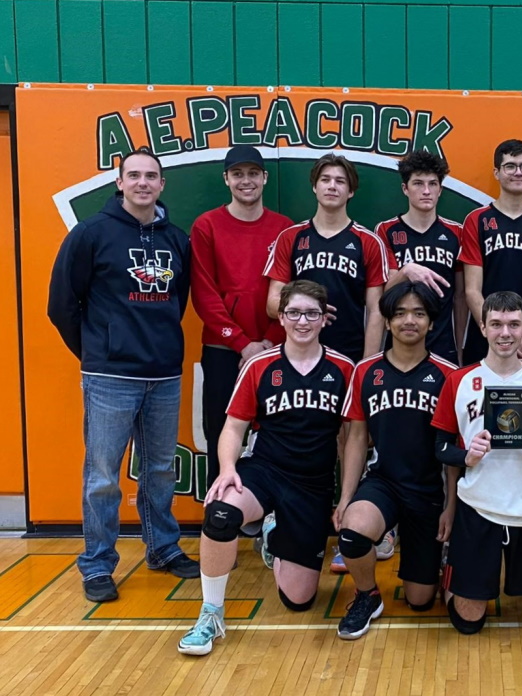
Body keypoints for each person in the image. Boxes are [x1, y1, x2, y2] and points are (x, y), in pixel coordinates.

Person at [48, 147, 199, 603]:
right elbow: (61, 306)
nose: (142, 183)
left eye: (151, 176)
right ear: (119, 183)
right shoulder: (91, 234)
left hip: (163, 375)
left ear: (162, 184)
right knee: (103, 476)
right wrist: (97, 351)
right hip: (109, 377)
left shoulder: (176, 239)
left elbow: (180, 299)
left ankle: (163, 549)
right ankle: (97, 564)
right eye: (133, 175)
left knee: (158, 470)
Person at [178, 280, 353, 656]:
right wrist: (227, 468)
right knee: (222, 513)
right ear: (282, 316)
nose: (302, 321)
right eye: (294, 313)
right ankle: (210, 614)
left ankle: (272, 533)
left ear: (324, 319)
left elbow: (350, 439)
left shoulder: (342, 368)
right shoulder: (260, 365)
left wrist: (347, 496)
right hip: (266, 470)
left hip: (313, 485)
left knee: (299, 599)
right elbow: (233, 427)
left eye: (311, 314)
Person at [431, 291, 522, 634]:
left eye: (512, 324)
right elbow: (440, 448)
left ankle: (509, 575)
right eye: (496, 324)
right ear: (482, 327)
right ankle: (456, 574)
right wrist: (468, 455)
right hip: (476, 507)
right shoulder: (459, 381)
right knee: (467, 622)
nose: (504, 333)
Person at [334, 282, 459, 639]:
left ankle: (441, 560)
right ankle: (367, 595)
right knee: (353, 530)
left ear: (431, 323)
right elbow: (356, 437)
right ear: (387, 322)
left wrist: (450, 505)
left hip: (428, 490)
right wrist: (346, 497)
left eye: (419, 313)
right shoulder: (366, 371)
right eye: (400, 313)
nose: (409, 321)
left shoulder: (448, 375)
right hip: (384, 481)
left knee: (420, 599)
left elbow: (451, 451)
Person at [190, 145, 294, 483]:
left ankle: (268, 517)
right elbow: (205, 295)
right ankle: (221, 518)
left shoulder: (284, 229)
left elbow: (292, 292)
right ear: (226, 179)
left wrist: (269, 341)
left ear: (264, 178)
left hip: (275, 351)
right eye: (238, 174)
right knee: (221, 432)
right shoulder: (207, 225)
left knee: (277, 434)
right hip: (224, 352)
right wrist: (242, 345)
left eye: (252, 173)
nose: (245, 181)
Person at [264, 154, 391, 363]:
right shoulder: (291, 237)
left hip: (349, 353)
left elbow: (376, 310)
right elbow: (271, 304)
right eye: (325, 179)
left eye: (340, 181)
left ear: (350, 191)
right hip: (297, 355)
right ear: (315, 187)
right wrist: (309, 309)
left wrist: (366, 365)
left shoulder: (368, 241)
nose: (332, 186)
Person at [461, 140, 522, 367]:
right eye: (510, 166)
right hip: (484, 338)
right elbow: (472, 290)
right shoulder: (477, 220)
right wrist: (494, 334)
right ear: (497, 172)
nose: (518, 172)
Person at [376, 151, 465, 365]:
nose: (426, 191)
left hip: (443, 343)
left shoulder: (456, 232)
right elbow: (381, 296)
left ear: (440, 189)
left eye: (433, 184)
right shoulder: (386, 230)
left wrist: (460, 348)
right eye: (418, 183)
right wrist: (407, 271)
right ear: (405, 189)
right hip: (399, 341)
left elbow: (461, 297)